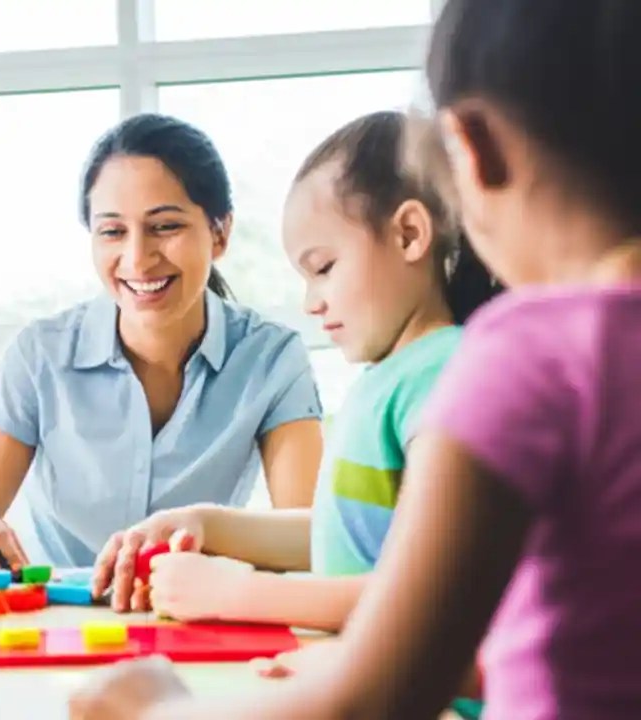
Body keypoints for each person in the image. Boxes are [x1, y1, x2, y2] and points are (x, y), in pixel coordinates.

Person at [70, 0, 641, 717]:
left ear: (472, 149)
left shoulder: (520, 359)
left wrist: (155, 707)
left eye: (323, 268)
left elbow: (386, 694)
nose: (312, 301)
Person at [93, 110, 500, 632]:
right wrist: (206, 524)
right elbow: (346, 536)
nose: (311, 302)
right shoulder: (393, 377)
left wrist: (241, 594)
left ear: (409, 234)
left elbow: (439, 593)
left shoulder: (448, 376)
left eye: (324, 268)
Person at [0, 114, 325, 583]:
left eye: (165, 227)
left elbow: (311, 539)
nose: (138, 259)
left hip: (194, 614)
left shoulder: (271, 358)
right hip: (57, 616)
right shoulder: (40, 357)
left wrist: (208, 530)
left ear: (220, 233)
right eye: (113, 232)